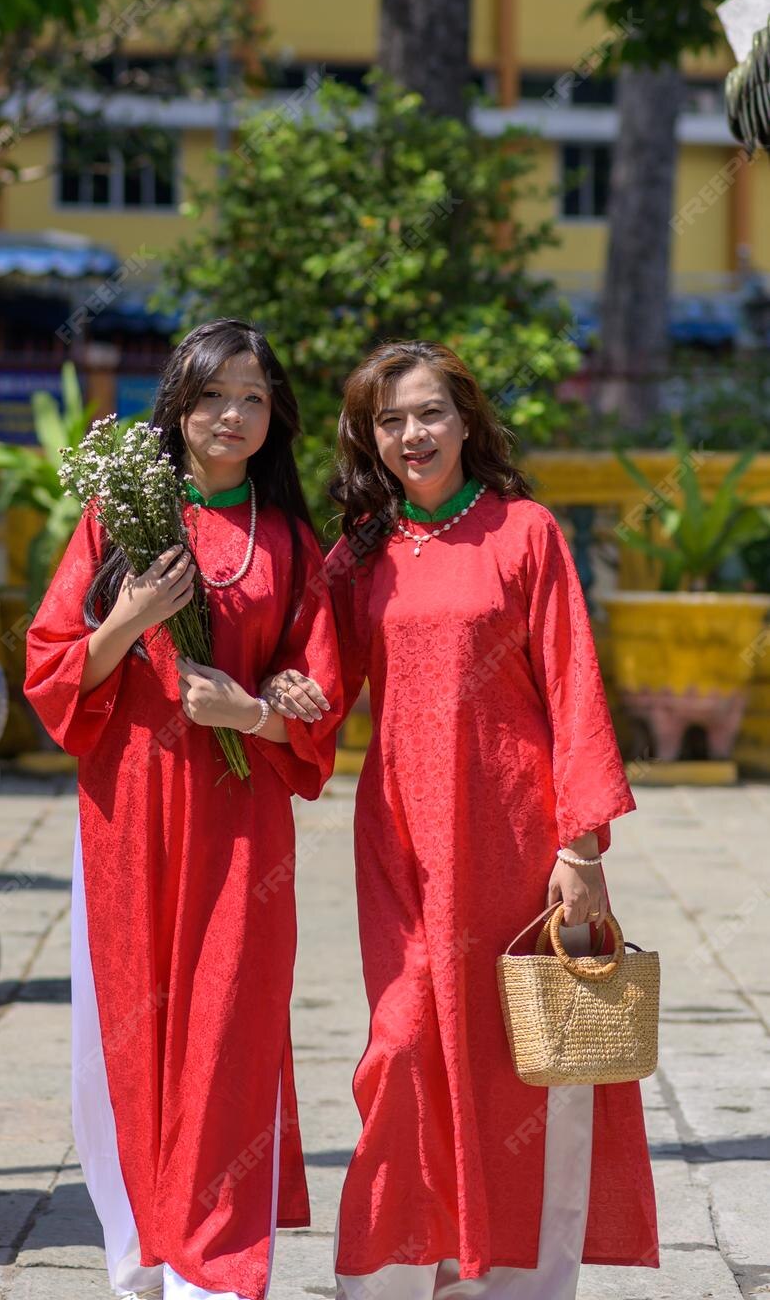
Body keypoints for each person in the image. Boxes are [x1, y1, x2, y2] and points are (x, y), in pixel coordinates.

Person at [262, 340, 659, 1298]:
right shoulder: (361, 553)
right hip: (401, 836)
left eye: (429, 413)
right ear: (370, 437)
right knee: (401, 1044)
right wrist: (275, 690)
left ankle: (506, 1276)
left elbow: (571, 688)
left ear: (467, 420)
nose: (411, 435)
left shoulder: (524, 533)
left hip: (514, 834)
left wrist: (580, 846)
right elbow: (321, 679)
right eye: (389, 421)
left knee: (509, 1058)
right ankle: (403, 1271)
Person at [24, 319, 341, 1300]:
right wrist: (128, 621)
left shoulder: (290, 541)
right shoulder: (116, 515)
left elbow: (318, 694)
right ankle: (141, 1246)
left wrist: (252, 707)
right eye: (212, 397)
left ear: (272, 414)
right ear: (179, 405)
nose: (231, 416)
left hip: (239, 821)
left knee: (229, 1020)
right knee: (128, 1026)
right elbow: (48, 665)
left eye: (251, 397)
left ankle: (216, 1260)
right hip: (127, 811)